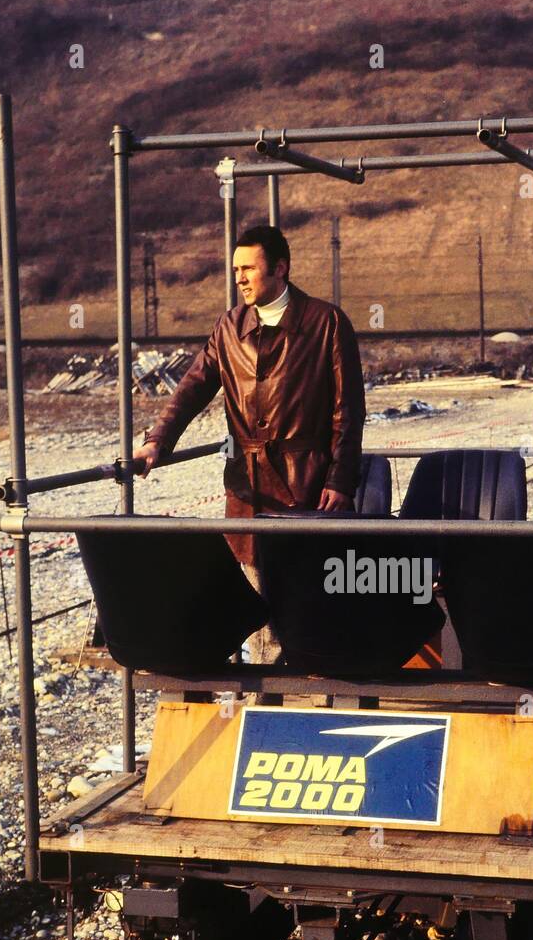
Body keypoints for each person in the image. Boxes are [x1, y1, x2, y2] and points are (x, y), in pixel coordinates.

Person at [137, 224, 365, 664]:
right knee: (255, 599)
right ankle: (265, 704)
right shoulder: (229, 326)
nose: (240, 278)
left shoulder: (326, 323)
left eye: (249, 268)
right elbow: (192, 388)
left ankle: (310, 697)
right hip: (246, 488)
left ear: (280, 268)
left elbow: (348, 412)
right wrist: (156, 442)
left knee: (304, 601)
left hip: (307, 486)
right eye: (236, 269)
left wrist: (341, 480)